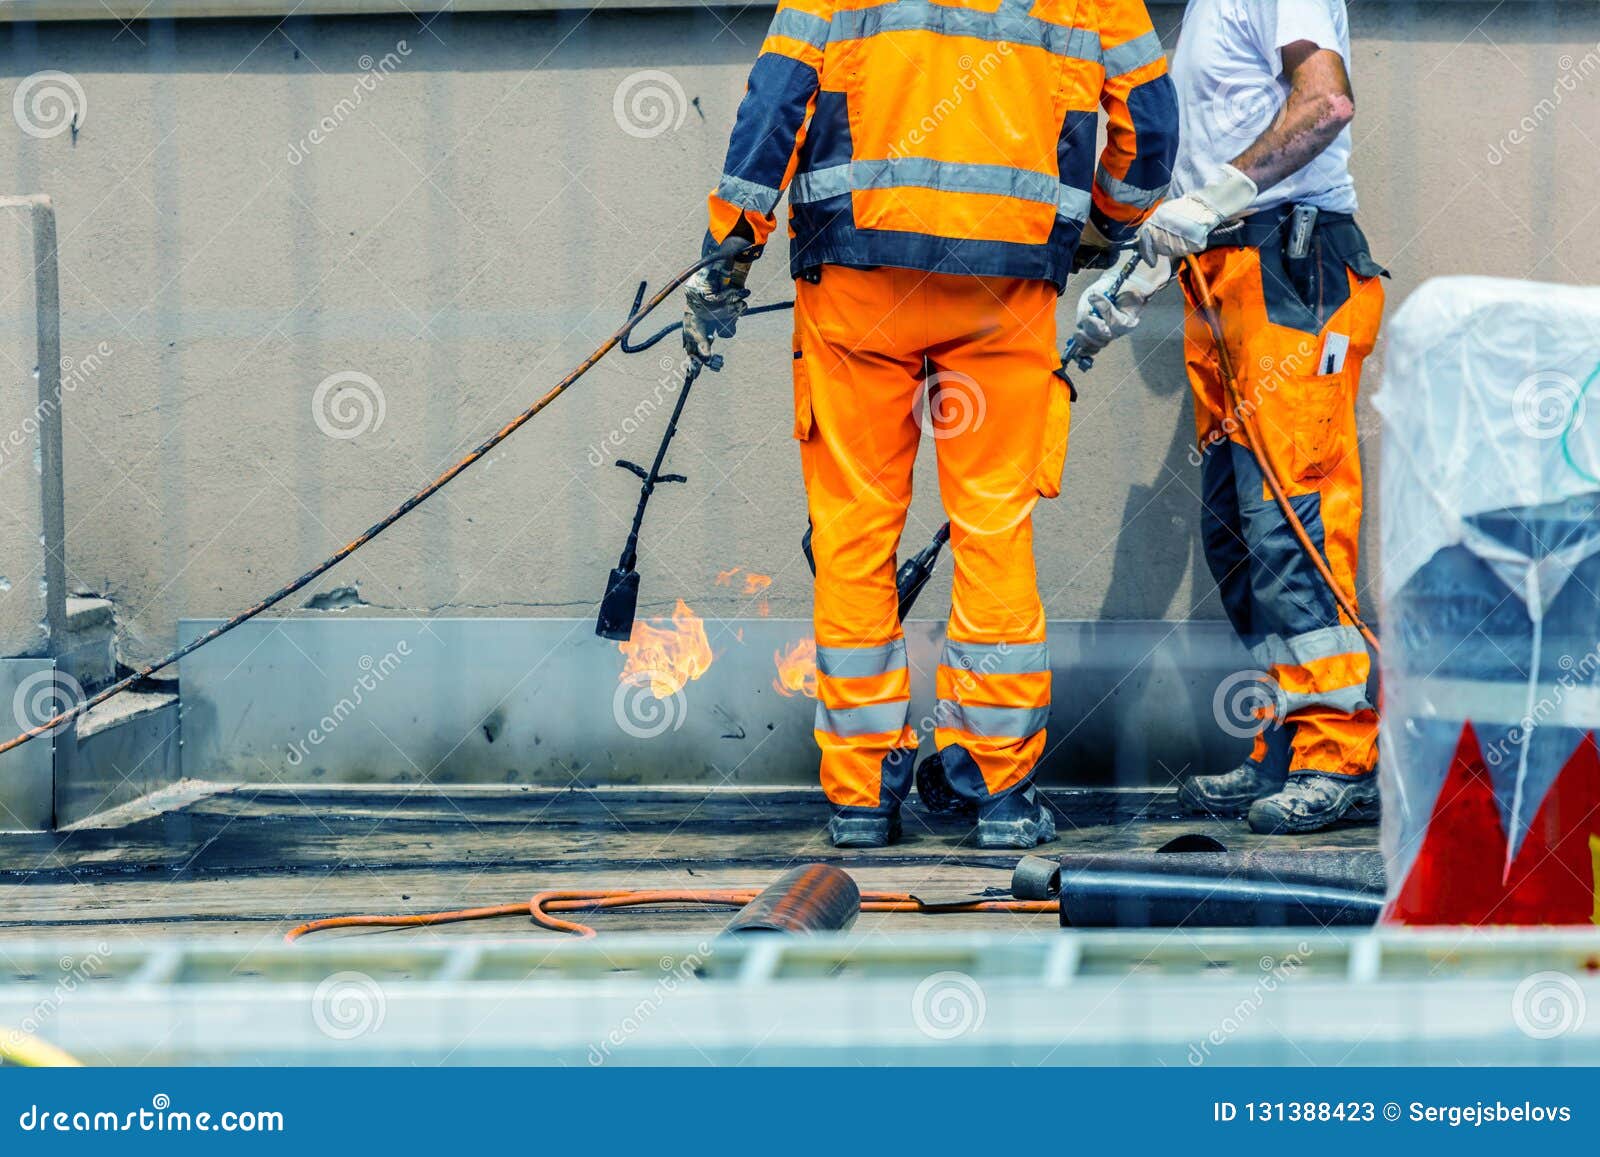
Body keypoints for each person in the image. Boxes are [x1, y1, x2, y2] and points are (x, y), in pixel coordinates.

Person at [686, 0, 1178, 848]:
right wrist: (1112, 222)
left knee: (853, 530)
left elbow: (775, 101)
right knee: (993, 524)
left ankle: (860, 795)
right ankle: (997, 787)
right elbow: (1152, 121)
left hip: (857, 280)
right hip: (1006, 286)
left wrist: (731, 247)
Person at [1072, 0, 1386, 834]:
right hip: (1226, 278)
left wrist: (1225, 194)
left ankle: (1340, 752)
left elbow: (1326, 103)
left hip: (1293, 268)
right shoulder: (1207, 12)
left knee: (1295, 518)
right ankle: (1285, 740)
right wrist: (1134, 272)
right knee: (1238, 532)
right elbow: (1208, 168)